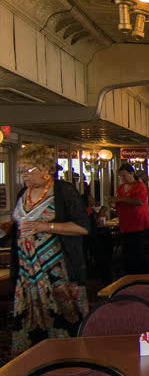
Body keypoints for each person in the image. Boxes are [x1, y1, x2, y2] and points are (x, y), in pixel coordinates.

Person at [10, 143, 89, 354]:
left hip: (58, 270)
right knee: (30, 324)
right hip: (28, 271)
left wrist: (46, 226)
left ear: (44, 169)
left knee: (62, 319)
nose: (23, 176)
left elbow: (83, 227)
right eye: (21, 171)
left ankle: (67, 360)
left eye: (28, 170)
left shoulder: (63, 191)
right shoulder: (22, 194)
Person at [109, 163, 149, 274]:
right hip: (125, 224)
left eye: (124, 175)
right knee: (128, 252)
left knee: (138, 251)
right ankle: (129, 274)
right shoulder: (121, 187)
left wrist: (120, 199)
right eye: (121, 176)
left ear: (132, 173)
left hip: (138, 224)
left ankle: (141, 274)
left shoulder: (140, 186)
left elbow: (139, 201)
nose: (122, 178)